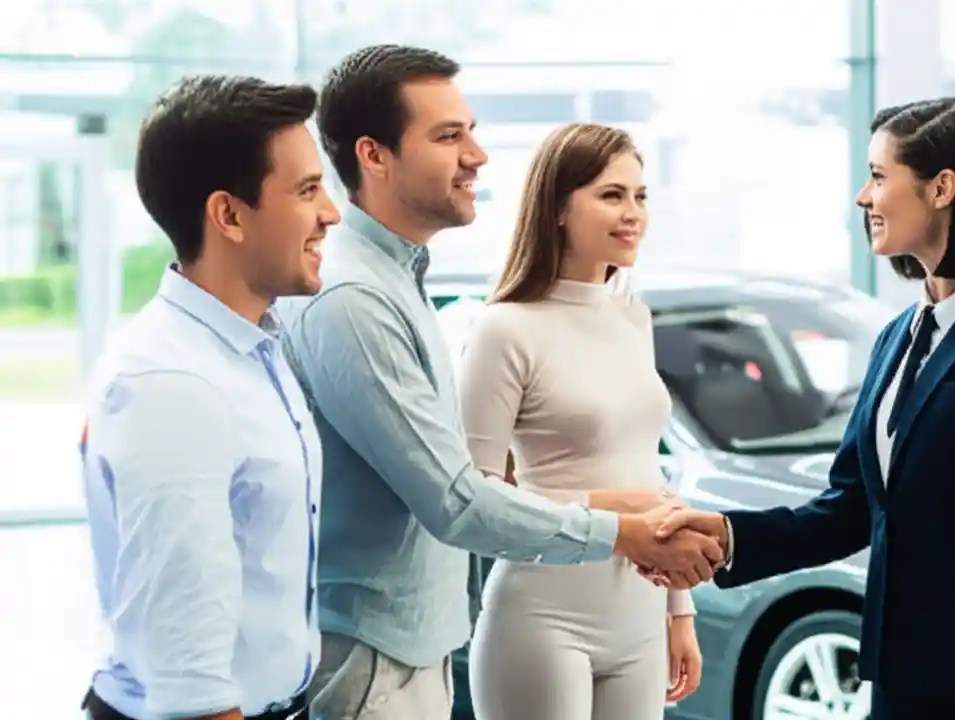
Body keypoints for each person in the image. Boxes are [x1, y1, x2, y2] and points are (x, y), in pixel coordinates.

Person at [278, 45, 721, 720]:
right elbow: (459, 498)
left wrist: (673, 601)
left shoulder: (402, 282)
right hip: (398, 649)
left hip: (423, 646)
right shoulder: (359, 300)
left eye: (473, 132)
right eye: (448, 135)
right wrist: (619, 524)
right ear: (374, 155)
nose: (477, 155)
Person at [656, 97, 955, 720]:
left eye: (880, 176)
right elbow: (850, 509)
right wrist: (729, 538)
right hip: (896, 684)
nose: (864, 197)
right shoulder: (896, 339)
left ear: (942, 188)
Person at [79, 75, 340, 720]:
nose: (331, 213)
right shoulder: (173, 384)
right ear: (228, 215)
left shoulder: (251, 350)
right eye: (307, 190)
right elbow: (187, 671)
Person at [459, 123, 701, 720]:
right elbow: (475, 500)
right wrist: (608, 505)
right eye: (611, 195)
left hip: (640, 613)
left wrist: (680, 611)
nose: (633, 213)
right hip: (544, 615)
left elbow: (647, 475)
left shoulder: (633, 318)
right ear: (559, 208)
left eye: (640, 196)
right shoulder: (504, 328)